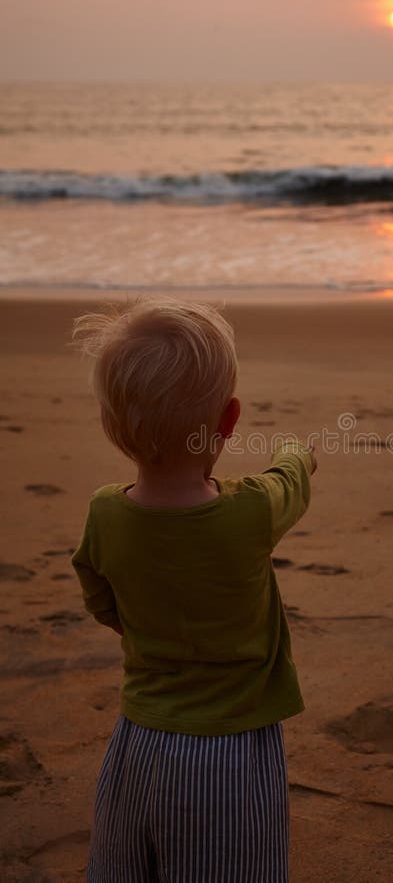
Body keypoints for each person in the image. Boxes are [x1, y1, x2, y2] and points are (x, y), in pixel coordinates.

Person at [69, 296, 316, 883]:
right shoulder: (250, 511)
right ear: (228, 422)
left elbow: (96, 590)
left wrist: (134, 620)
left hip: (135, 747)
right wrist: (297, 453)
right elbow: (291, 482)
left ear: (112, 427)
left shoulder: (105, 513)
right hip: (228, 758)